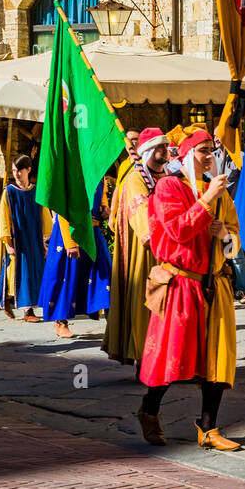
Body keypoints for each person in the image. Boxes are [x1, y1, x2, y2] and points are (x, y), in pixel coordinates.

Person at [136, 125, 242, 450]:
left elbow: (235, 246)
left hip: (214, 286)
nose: (209, 157)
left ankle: (208, 429)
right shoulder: (168, 187)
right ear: (183, 155)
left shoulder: (218, 192)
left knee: (217, 361)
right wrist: (207, 200)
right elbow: (178, 231)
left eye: (211, 151)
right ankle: (149, 409)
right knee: (173, 359)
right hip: (180, 284)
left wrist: (225, 236)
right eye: (202, 151)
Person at [105, 127, 169, 366]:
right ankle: (145, 357)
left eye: (165, 146)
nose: (165, 150)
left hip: (170, 251)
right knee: (145, 302)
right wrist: (156, 238)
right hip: (147, 252)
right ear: (148, 150)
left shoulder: (167, 175)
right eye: (160, 146)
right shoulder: (135, 177)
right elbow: (139, 211)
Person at [38, 175, 113, 339]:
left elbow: (102, 194)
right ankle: (60, 320)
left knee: (104, 272)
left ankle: (113, 321)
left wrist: (105, 208)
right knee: (64, 274)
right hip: (69, 230)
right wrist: (69, 241)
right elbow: (62, 205)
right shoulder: (70, 169)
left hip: (92, 229)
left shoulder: (99, 171)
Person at [0, 155, 50, 322]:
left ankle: (5, 299)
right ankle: (27, 311)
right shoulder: (9, 191)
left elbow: (44, 213)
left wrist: (45, 238)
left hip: (34, 235)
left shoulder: (36, 190)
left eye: (19, 170)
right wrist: (8, 241)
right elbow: (3, 217)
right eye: (14, 170)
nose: (16, 173)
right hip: (18, 237)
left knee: (35, 269)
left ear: (28, 170)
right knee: (21, 271)